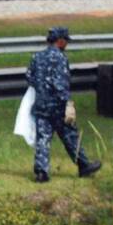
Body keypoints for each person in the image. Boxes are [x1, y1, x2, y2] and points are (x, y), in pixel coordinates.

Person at [25, 26, 100, 183]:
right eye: (66, 41)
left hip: (41, 105)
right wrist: (68, 103)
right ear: (60, 41)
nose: (67, 44)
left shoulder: (36, 56)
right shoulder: (60, 58)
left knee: (43, 139)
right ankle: (84, 165)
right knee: (70, 136)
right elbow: (61, 84)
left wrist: (41, 89)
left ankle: (41, 172)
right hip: (58, 106)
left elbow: (29, 77)